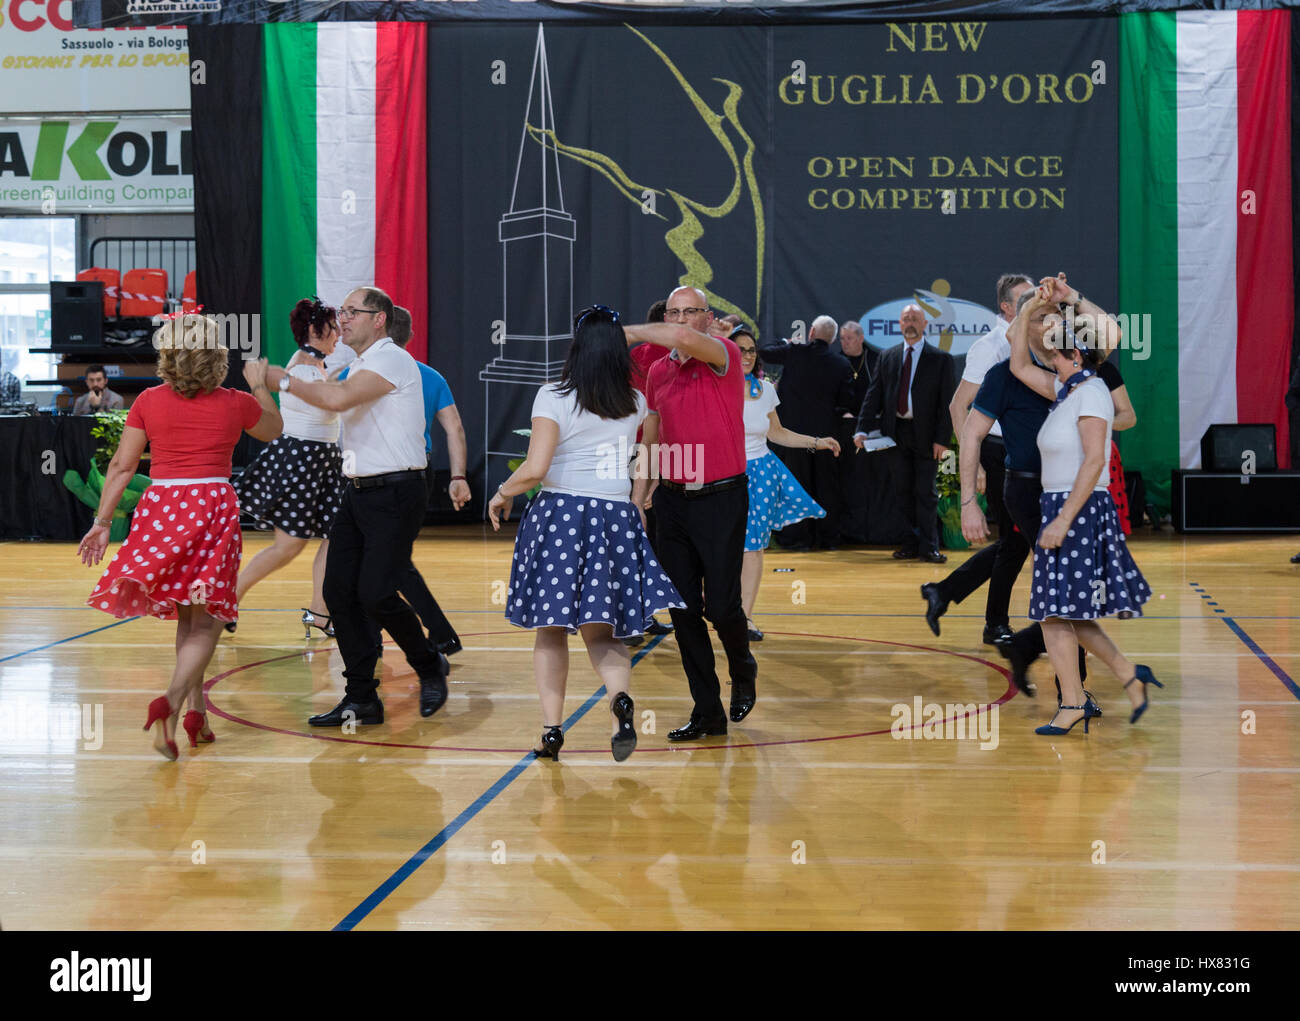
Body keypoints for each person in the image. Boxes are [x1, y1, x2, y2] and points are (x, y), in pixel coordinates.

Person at [79, 314, 282, 760]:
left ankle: (197, 714)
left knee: (187, 616)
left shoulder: (148, 401)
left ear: (167, 356)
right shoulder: (234, 402)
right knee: (206, 618)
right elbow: (273, 430)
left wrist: (101, 522)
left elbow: (122, 467)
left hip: (163, 509)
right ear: (217, 358)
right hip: (211, 508)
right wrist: (260, 385)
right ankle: (170, 702)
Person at [488, 305, 682, 762]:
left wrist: (501, 492)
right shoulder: (634, 402)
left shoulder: (553, 396)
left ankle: (552, 731)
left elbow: (535, 468)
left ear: (575, 348)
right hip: (614, 517)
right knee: (603, 630)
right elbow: (646, 462)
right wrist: (636, 504)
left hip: (562, 516)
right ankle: (619, 702)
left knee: (550, 629)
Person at [265, 286, 449, 726]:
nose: (343, 319)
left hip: (398, 491)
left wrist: (282, 379)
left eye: (352, 312)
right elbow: (324, 398)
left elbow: (335, 400)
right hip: (357, 490)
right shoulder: (355, 365)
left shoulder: (391, 359)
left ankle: (429, 663)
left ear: (379, 318)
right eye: (341, 312)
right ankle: (361, 697)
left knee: (376, 592)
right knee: (338, 592)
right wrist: (291, 378)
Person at [1008, 276, 1158, 734]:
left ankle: (1079, 701)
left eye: (1054, 354)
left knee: (1060, 613)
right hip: (1060, 507)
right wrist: (1033, 305)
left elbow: (1094, 461)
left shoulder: (1090, 391)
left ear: (1074, 355)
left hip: (1076, 510)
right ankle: (1119, 681)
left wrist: (1062, 521)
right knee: (1063, 614)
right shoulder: (1065, 392)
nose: (1047, 360)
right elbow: (1017, 360)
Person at [627, 286, 757, 740]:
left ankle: (742, 666)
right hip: (673, 501)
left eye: (690, 312)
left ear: (707, 318)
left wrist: (621, 333)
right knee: (682, 610)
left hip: (722, 496)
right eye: (674, 313)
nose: (682, 321)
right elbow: (652, 439)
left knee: (721, 607)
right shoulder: (657, 372)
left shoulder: (723, 354)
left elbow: (681, 341)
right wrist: (638, 497)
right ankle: (708, 711)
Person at [921, 273, 1034, 643]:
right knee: (1015, 541)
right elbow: (958, 405)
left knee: (1014, 543)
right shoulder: (990, 348)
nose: (1034, 303)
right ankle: (993, 624)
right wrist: (979, 462)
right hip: (998, 451)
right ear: (1005, 306)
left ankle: (946, 592)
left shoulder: (1032, 341)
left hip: (1022, 452)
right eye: (1024, 298)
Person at [230, 297, 346, 638]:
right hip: (303, 462)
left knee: (335, 538)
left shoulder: (312, 366)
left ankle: (320, 612)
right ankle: (227, 600)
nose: (339, 334)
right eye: (334, 327)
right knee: (288, 546)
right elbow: (330, 401)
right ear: (314, 330)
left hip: (321, 461)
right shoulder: (305, 370)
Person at [734, 323, 839, 640]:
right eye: (739, 350)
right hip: (725, 474)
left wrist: (817, 442)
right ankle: (723, 609)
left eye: (752, 350)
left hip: (762, 475)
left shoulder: (765, 390)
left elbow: (777, 433)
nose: (748, 355)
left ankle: (745, 618)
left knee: (753, 549)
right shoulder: (715, 388)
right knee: (723, 548)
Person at [387, 305, 470, 656]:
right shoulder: (430, 376)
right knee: (387, 560)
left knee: (392, 562)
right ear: (411, 337)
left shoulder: (357, 375)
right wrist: (457, 476)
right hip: (420, 474)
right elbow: (455, 430)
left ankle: (438, 634)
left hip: (386, 477)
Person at [854, 304, 957, 563]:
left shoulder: (941, 359)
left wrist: (942, 440)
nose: (910, 323)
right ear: (899, 325)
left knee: (926, 492)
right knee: (902, 493)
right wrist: (862, 428)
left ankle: (930, 547)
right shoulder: (887, 356)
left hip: (926, 435)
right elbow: (873, 395)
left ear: (925, 325)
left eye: (915, 319)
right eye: (906, 319)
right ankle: (910, 544)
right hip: (895, 434)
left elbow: (948, 404)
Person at [759, 315, 854, 550]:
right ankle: (828, 538)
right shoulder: (841, 364)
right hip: (826, 436)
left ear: (811, 332)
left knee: (795, 485)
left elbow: (764, 352)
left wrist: (788, 342)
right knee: (827, 488)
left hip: (793, 435)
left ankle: (795, 538)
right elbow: (847, 402)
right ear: (832, 339)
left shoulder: (795, 351)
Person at [832, 320, 876, 545]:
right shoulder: (837, 361)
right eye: (841, 338)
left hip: (872, 430)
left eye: (849, 338)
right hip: (844, 428)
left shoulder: (875, 359)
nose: (844, 343)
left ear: (861, 338)